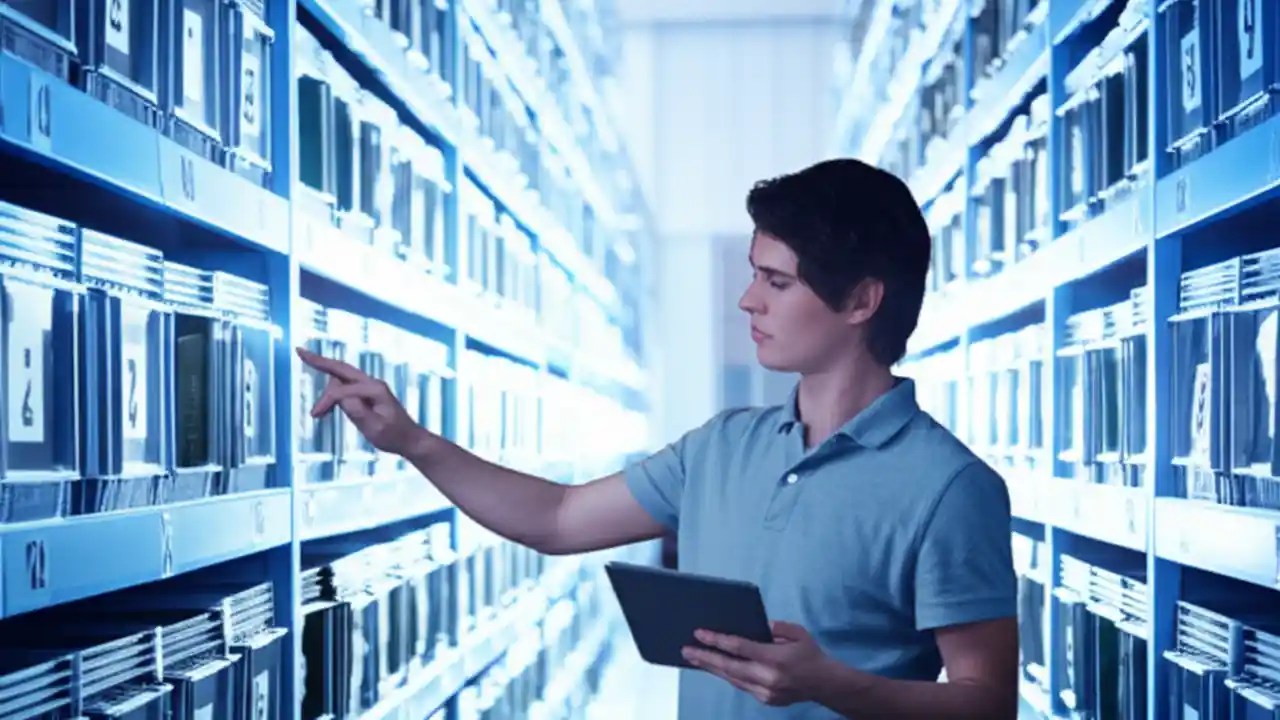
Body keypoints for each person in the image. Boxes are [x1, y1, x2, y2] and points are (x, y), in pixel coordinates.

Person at [298, 158, 1019, 719]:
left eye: (776, 281)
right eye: (751, 276)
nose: (747, 300)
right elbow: (556, 518)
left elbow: (987, 702)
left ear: (861, 300)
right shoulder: (720, 447)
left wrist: (834, 686)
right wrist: (412, 440)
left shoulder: (951, 486)